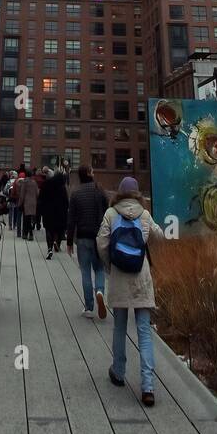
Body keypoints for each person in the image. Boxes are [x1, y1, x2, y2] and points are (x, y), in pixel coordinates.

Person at [96, 176, 165, 406]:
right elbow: (159, 237)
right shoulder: (144, 214)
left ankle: (118, 371)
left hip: (119, 277)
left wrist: (109, 265)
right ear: (136, 192)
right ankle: (147, 386)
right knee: (144, 332)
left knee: (119, 327)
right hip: (141, 278)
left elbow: (102, 243)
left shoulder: (111, 213)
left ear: (119, 192)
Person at [66, 165, 108, 315]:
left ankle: (89, 307)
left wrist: (69, 241)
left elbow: (71, 220)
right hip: (98, 237)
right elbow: (107, 214)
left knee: (85, 271)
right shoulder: (100, 191)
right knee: (99, 269)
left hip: (82, 237)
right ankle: (100, 292)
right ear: (90, 173)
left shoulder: (75, 193)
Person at [37, 165, 68, 259]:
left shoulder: (46, 184)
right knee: (59, 229)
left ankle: (49, 248)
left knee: (48, 229)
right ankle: (57, 242)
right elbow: (66, 201)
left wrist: (41, 209)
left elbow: (41, 198)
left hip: (48, 211)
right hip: (60, 212)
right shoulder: (62, 188)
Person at [19, 168, 39, 240]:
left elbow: (22, 194)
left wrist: (20, 203)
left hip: (26, 203)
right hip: (33, 203)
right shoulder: (34, 182)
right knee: (29, 219)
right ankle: (26, 234)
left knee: (26, 219)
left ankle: (29, 234)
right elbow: (37, 193)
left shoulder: (25, 182)